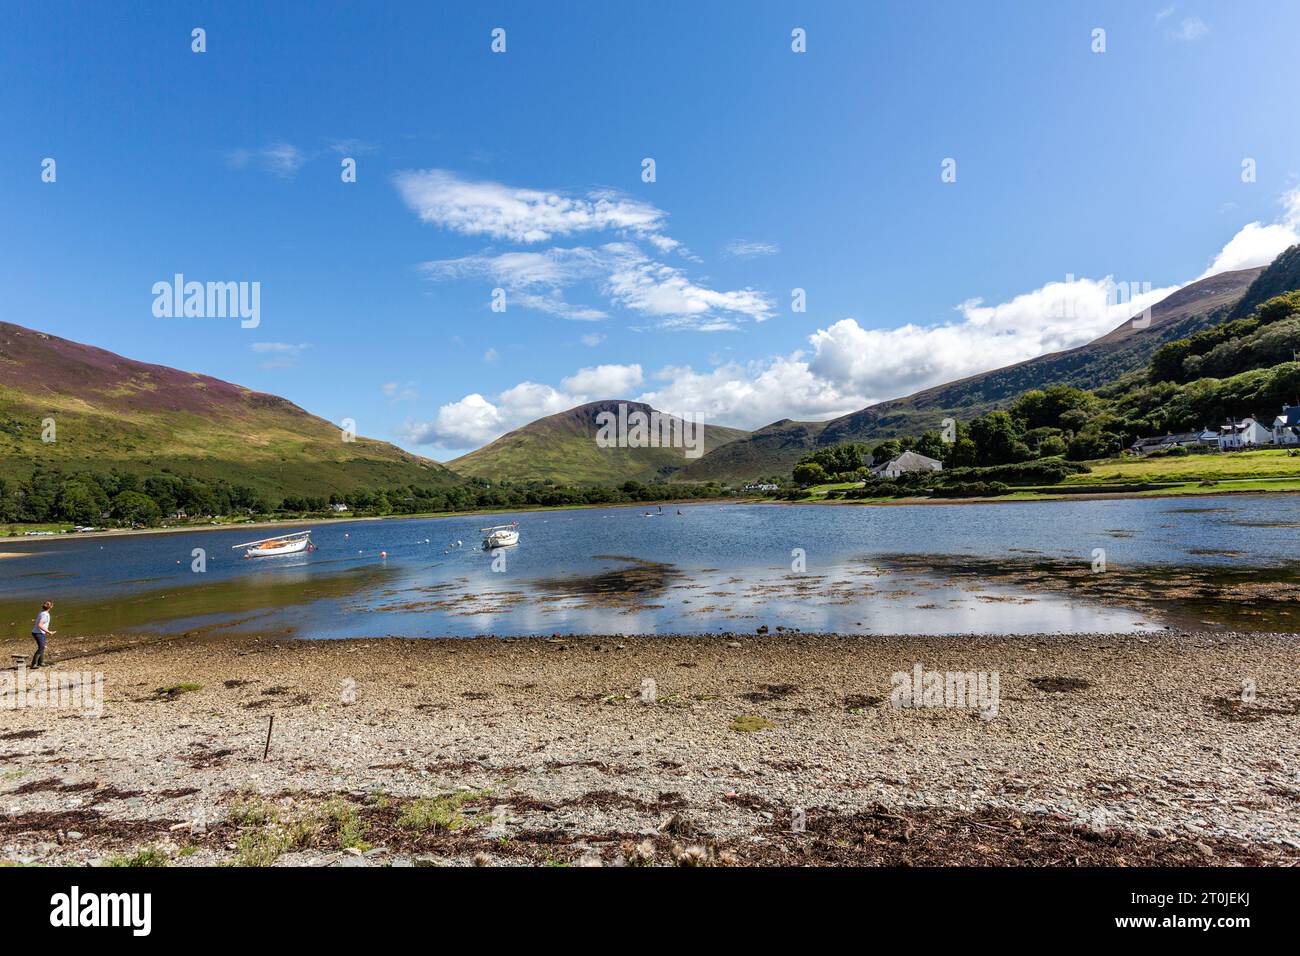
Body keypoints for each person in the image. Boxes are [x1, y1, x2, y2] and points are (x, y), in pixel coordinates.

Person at [31, 600, 55, 668]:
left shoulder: (42, 612)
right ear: (51, 607)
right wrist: (49, 632)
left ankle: (41, 662)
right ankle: (34, 664)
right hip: (38, 633)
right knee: (41, 647)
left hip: (38, 632)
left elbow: (39, 623)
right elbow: (40, 625)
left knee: (42, 647)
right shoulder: (45, 615)